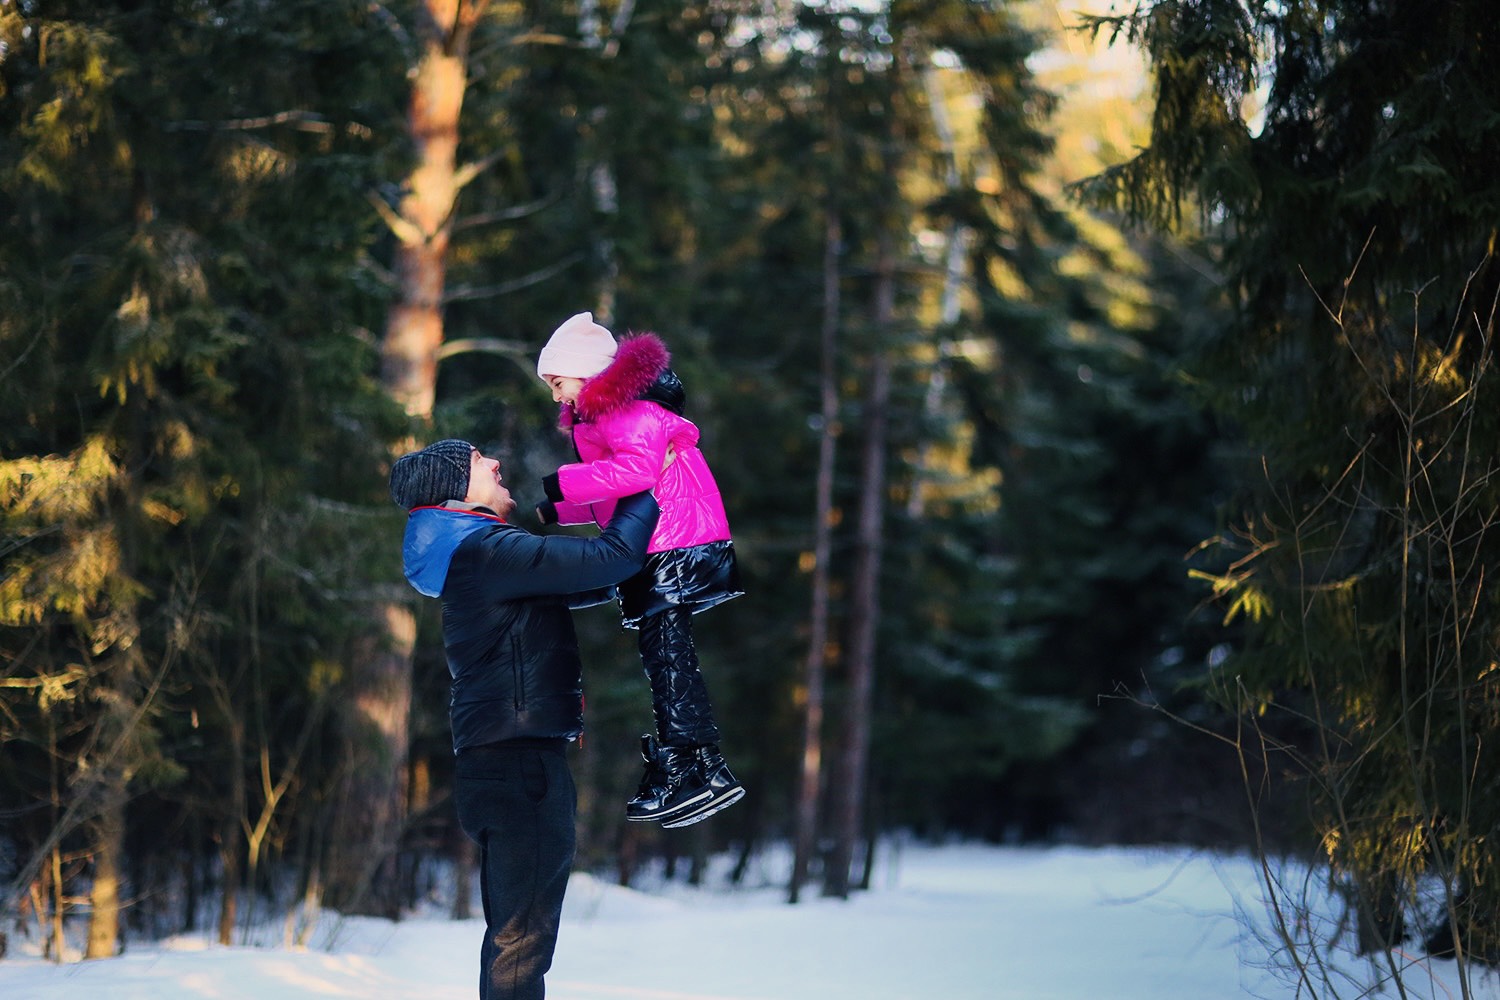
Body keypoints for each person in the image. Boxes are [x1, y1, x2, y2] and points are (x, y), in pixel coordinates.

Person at [390, 438, 660, 1000]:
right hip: (520, 768)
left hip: (503, 764)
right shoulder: (487, 553)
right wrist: (647, 477)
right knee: (522, 941)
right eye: (478, 462)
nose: (495, 464)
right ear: (456, 490)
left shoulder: (479, 558)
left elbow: (594, 577)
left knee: (517, 937)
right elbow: (611, 558)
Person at [533, 311, 745, 830]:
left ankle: (692, 766)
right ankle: (699, 764)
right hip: (663, 539)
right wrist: (559, 510)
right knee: (667, 658)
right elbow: (619, 494)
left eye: (558, 382)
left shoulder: (627, 409)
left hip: (674, 542)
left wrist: (563, 482)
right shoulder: (611, 415)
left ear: (584, 372)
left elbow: (636, 471)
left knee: (669, 660)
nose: (557, 397)